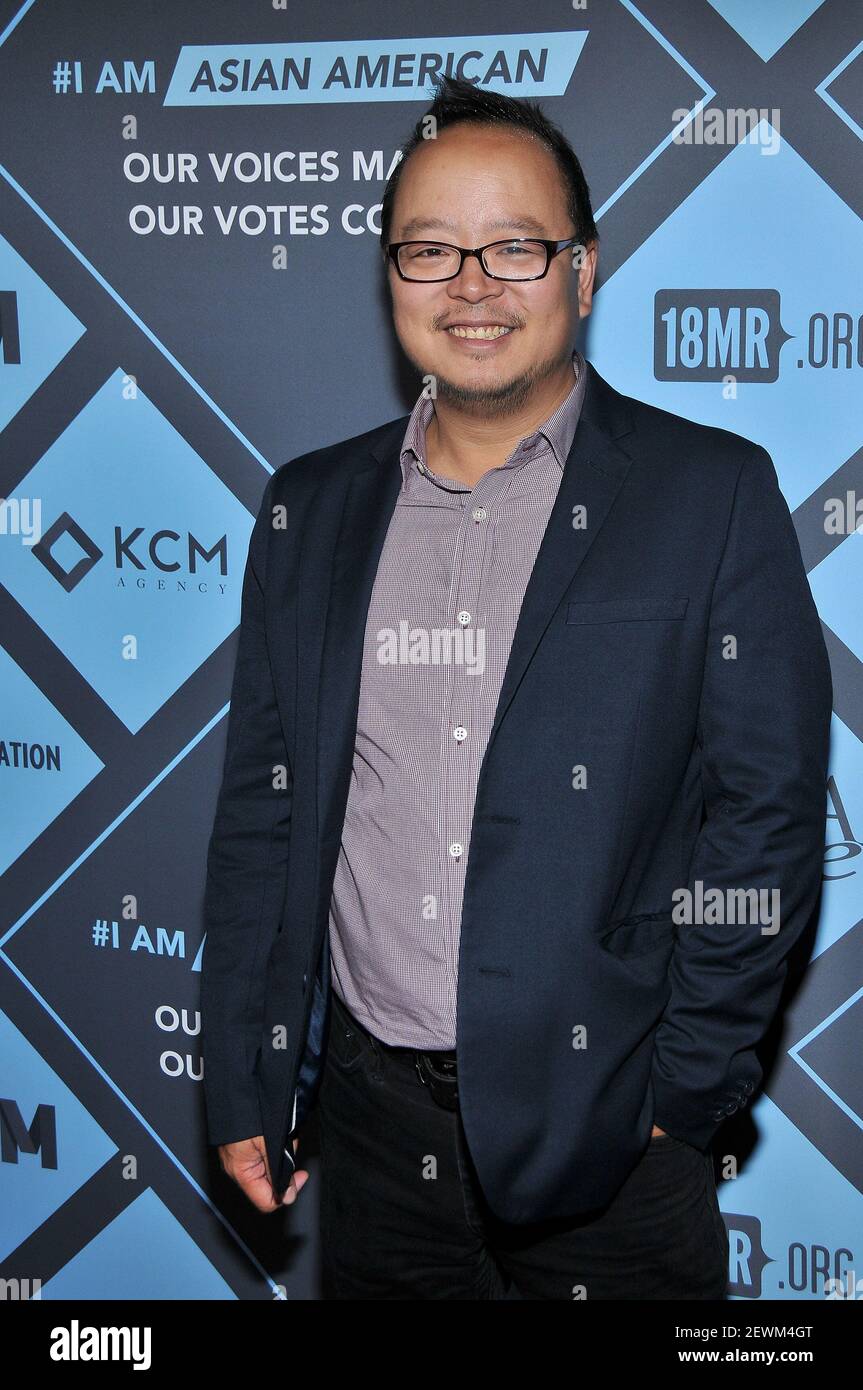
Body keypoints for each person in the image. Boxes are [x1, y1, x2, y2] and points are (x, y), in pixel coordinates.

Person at [201, 75, 832, 1300]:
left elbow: (763, 822)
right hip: (373, 1135)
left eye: (515, 247)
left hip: (615, 1142)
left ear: (583, 271)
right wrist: (243, 1071)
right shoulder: (307, 508)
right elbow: (264, 819)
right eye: (430, 249)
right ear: (389, 275)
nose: (472, 285)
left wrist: (681, 1094)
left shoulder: (709, 496)